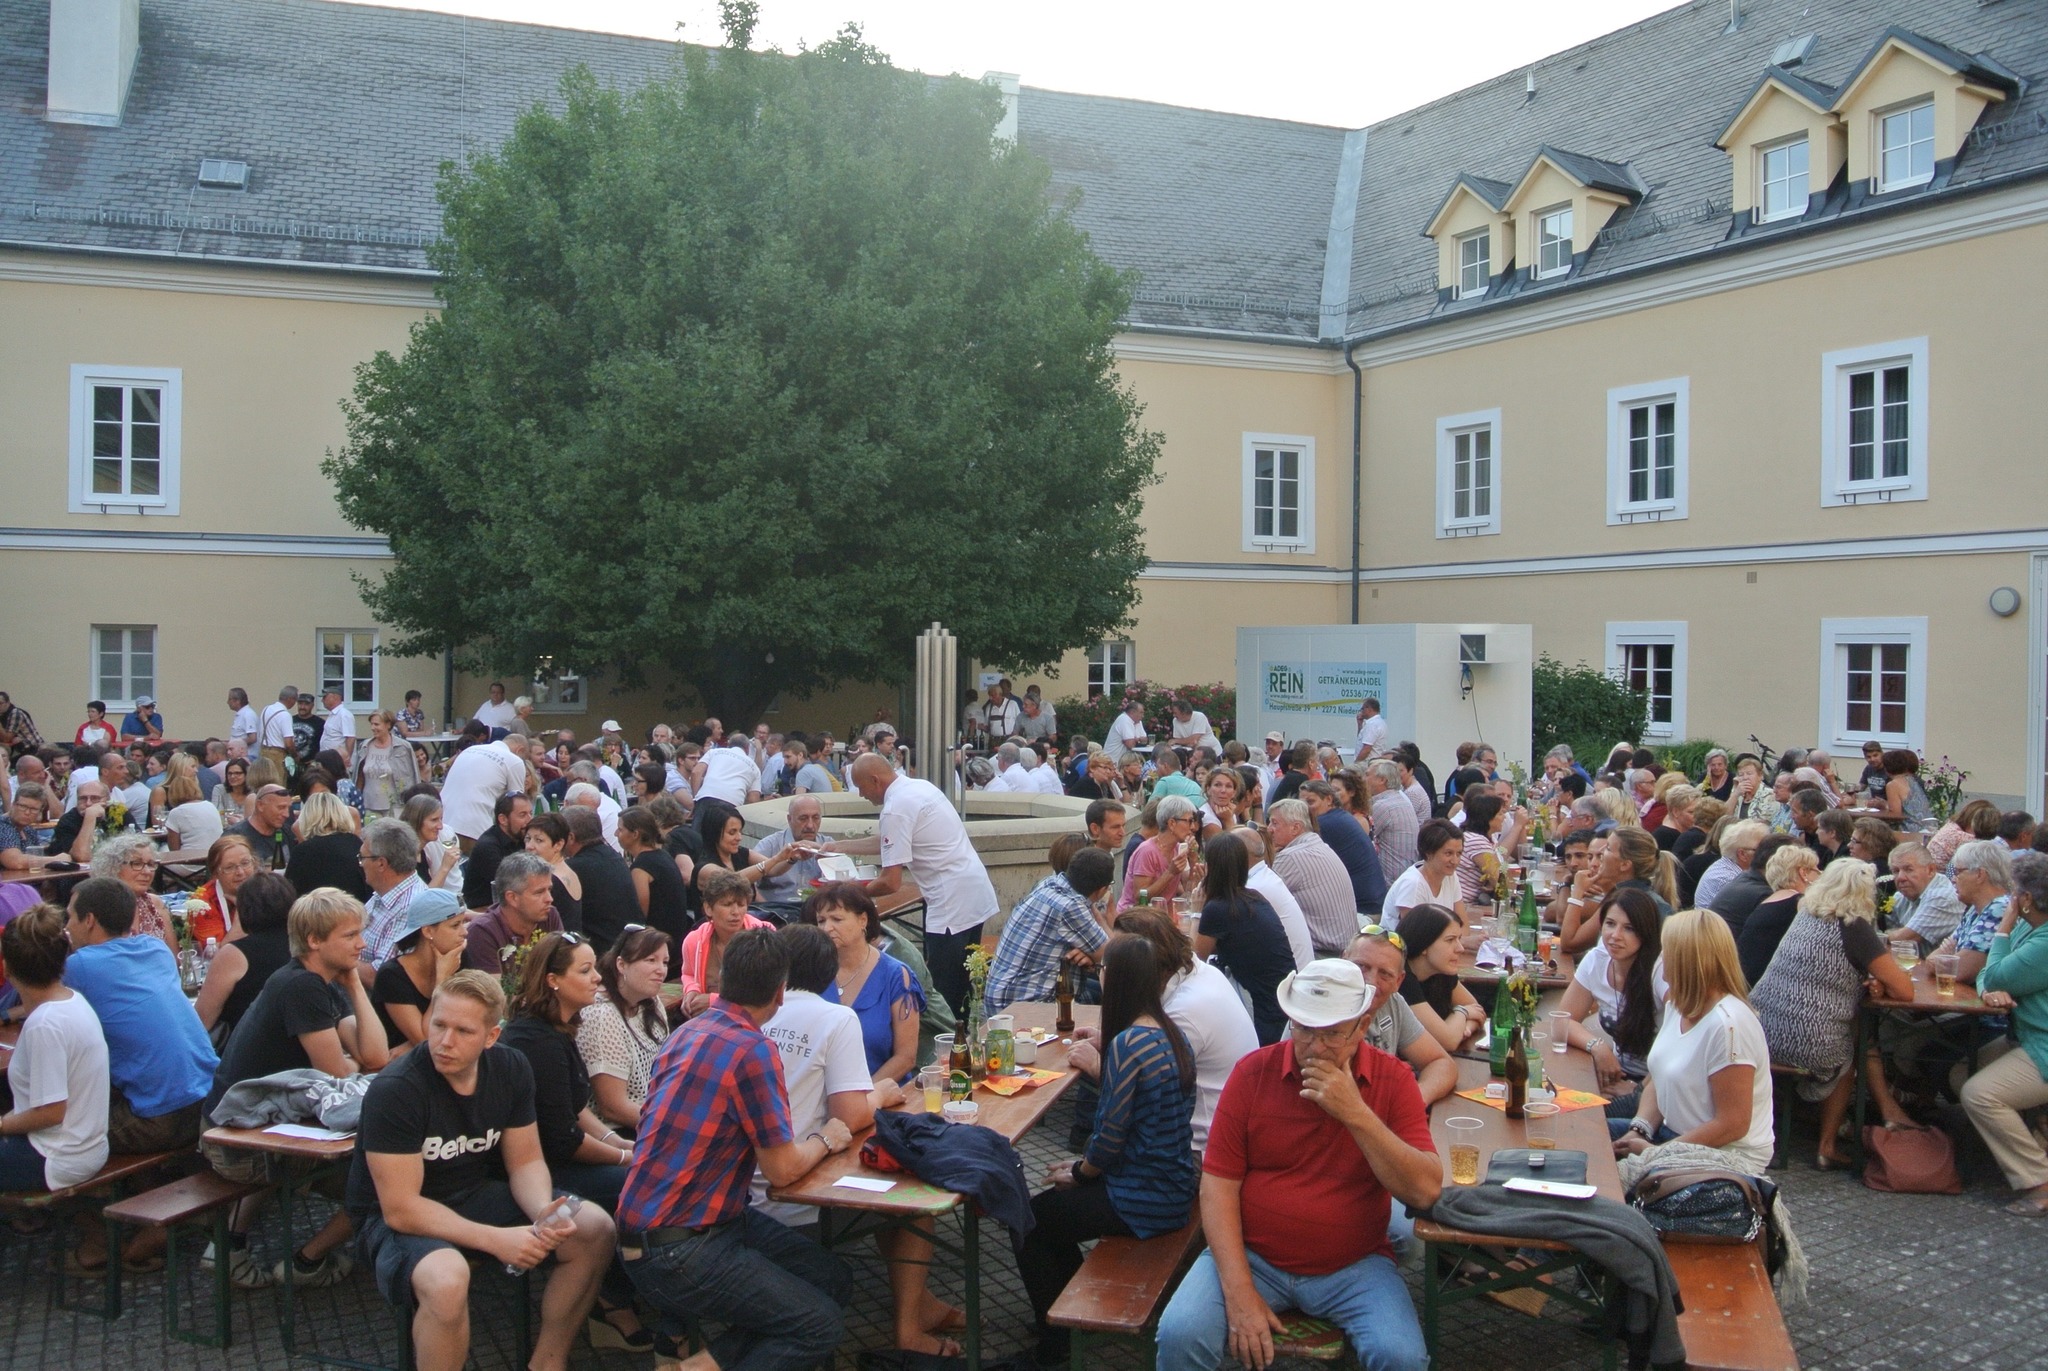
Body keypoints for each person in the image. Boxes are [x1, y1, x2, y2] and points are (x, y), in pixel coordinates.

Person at [1154, 957, 1437, 1371]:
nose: (1315, 1047)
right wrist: (1240, 1294)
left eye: (1332, 1033)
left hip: (1355, 1265)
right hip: (1253, 1257)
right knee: (1180, 1334)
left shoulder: (1393, 1079)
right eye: (1304, 1029)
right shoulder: (1253, 1073)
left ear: (1362, 1026)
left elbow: (1425, 1190)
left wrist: (1355, 1113)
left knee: (1403, 1358)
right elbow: (1217, 1187)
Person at [347, 969, 615, 1371]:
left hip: (472, 1194)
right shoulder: (397, 1089)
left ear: (492, 1037)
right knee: (447, 1278)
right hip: (394, 1221)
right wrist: (496, 1240)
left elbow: (524, 1160)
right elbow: (401, 1208)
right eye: (438, 1025)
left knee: (594, 1229)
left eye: (463, 1031)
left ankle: (548, 1362)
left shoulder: (510, 1067)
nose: (445, 1041)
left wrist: (541, 1210)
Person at [617, 929, 854, 1371]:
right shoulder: (754, 1051)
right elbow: (782, 1170)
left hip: (661, 1227)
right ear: (779, 994)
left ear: (723, 981)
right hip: (679, 1247)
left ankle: (697, 1364)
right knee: (817, 1325)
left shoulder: (686, 1031)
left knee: (830, 1278)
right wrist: (828, 1138)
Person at [1022, 936, 1200, 1367]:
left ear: (1115, 980)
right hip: (1175, 1182)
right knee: (1052, 1212)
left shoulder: (1127, 1045)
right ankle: (1063, 1312)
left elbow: (1109, 1138)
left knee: (1029, 1222)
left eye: (1103, 970)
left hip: (1144, 1198)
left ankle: (1057, 1339)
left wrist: (1080, 1173)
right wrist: (1087, 1169)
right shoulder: (1171, 1032)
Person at [203, 887, 391, 1285]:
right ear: (314, 940)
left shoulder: (318, 979)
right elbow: (342, 1075)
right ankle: (306, 1264)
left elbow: (374, 1058)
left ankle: (230, 1244)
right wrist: (351, 1063)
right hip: (236, 1143)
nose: (362, 943)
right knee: (386, 1177)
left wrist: (355, 984)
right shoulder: (302, 987)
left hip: (244, 1125)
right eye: (351, 935)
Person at [497, 932, 650, 1351]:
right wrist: (625, 1158)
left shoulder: (556, 1028)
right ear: (552, 981)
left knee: (641, 1172)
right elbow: (562, 1139)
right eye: (584, 971)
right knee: (637, 1187)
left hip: (555, 1155)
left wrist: (621, 1144)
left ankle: (630, 1287)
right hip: (537, 1171)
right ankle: (614, 1300)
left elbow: (576, 1108)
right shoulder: (537, 1041)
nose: (597, 979)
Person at [1751, 859, 1916, 1168]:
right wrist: (1878, 978)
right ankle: (1827, 1145)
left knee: (1853, 1032)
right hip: (1803, 1040)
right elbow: (1905, 991)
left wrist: (1870, 979)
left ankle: (1888, 1112)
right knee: (1851, 1051)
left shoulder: (1807, 915)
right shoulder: (1854, 926)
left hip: (1759, 1028)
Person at [829, 754, 1000, 1019]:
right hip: (973, 892)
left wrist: (848, 891)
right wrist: (837, 848)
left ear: (875, 780)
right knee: (964, 986)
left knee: (941, 996)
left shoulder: (895, 807)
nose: (861, 795)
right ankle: (964, 1042)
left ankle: (945, 1050)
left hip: (949, 904)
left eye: (861, 787)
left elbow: (891, 882)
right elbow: (891, 840)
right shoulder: (919, 787)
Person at [1612, 910, 1776, 1173]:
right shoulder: (1680, 1004)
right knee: (1584, 1131)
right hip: (1671, 1135)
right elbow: (1660, 1075)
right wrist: (1639, 1129)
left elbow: (1733, 1123)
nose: (1662, 968)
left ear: (1687, 963)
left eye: (1667, 956)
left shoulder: (1729, 1026)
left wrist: (1661, 1154)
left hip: (1723, 1157)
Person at [1959, 850, 2048, 1216]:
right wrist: (1988, 990)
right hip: (2028, 1036)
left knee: (1979, 1093)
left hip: (2042, 1044)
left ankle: (2038, 1182)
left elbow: (1995, 971)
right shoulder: (2034, 927)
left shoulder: (2041, 939)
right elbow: (1987, 976)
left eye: (2015, 894)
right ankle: (2034, 1140)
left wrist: (2003, 927)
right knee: (1962, 1068)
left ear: (2025, 899)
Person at [0, 902, 110, 1194]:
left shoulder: (44, 1024)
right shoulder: (72, 999)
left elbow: (50, 1113)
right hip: (84, 1145)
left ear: (6, 967)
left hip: (59, 1156)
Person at [1556, 889, 1668, 1115]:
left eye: (1629, 928)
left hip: (1657, 1087)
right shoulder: (1598, 958)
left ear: (1646, 932)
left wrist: (1638, 1088)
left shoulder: (1661, 971)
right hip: (1616, 1074)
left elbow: (1680, 1044)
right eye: (1609, 924)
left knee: (1583, 1118)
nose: (1615, 935)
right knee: (1552, 1099)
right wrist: (1598, 1047)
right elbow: (1562, 1021)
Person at [810, 881, 923, 1085]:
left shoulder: (896, 975)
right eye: (821, 921)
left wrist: (862, 1097)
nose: (827, 928)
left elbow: (906, 1057)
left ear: (863, 920)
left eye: (837, 919)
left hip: (880, 1097)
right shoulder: (812, 971)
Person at [987, 847, 1114, 1016]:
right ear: (1101, 890)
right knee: (1115, 996)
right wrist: (1094, 948)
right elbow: (1114, 956)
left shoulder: (1049, 883)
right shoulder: (1071, 907)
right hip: (1023, 1005)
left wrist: (1091, 954)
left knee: (1094, 985)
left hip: (1001, 994)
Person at [1195, 834, 1295, 1045]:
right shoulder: (1255, 897)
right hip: (1284, 1005)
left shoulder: (1218, 908)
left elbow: (1193, 961)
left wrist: (1196, 912)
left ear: (1211, 866)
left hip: (1262, 1015)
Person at [1343, 928, 1458, 1106]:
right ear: (1343, 962)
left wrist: (1413, 1102)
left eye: (1385, 974)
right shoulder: (1327, 1009)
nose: (1371, 981)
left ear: (1398, 981)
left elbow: (1441, 1064)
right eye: (1362, 966)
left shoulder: (1392, 1002)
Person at [578, 927, 674, 1133]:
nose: (661, 970)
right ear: (621, 964)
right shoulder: (602, 1016)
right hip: (619, 1130)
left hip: (655, 1113)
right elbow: (613, 1107)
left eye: (664, 962)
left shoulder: (651, 1002)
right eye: (650, 960)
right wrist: (673, 1125)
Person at [193, 872, 301, 1039]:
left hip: (247, 1047)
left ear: (243, 911)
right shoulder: (307, 945)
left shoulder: (234, 955)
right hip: (300, 1041)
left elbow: (201, 1022)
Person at [370, 888, 471, 1055]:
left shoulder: (460, 958)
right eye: (455, 925)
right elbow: (426, 1040)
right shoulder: (392, 976)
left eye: (463, 923)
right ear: (428, 931)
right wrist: (442, 979)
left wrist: (407, 1047)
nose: (464, 932)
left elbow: (475, 1018)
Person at [1265, 797, 1361, 957]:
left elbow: (1255, 900)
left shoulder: (1291, 857)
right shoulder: (1317, 844)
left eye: (1275, 823)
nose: (1269, 829)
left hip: (1323, 954)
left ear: (1295, 828)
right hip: (1347, 946)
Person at [676, 867, 775, 1017]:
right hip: (707, 1020)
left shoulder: (764, 936)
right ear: (708, 908)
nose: (736, 912)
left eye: (741, 905)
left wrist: (713, 1000)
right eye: (727, 904)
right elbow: (688, 974)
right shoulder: (694, 939)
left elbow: (767, 990)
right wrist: (691, 990)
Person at [1393, 904, 1488, 1053]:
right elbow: (1448, 1041)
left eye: (1459, 939)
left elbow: (1478, 1011)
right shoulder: (1402, 979)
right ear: (1424, 944)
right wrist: (1462, 1012)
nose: (1460, 948)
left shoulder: (1441, 970)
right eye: (1450, 940)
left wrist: (1464, 1030)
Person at [464, 853, 566, 975]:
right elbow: (496, 992)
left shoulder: (549, 914)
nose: (549, 899)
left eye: (549, 889)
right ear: (512, 898)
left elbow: (563, 970)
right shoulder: (483, 932)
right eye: (539, 892)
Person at [1735, 842, 1820, 986]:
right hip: (1766, 987)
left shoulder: (1768, 902)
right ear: (1803, 873)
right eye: (1816, 869)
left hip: (1746, 982)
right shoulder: (1799, 905)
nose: (1820, 874)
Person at [1300, 779, 1387, 920]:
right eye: (1301, 804)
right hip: (1373, 903)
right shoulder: (1340, 816)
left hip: (1363, 911)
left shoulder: (1325, 823)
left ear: (1328, 799)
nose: (1305, 808)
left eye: (1310, 802)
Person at [1236, 828, 1314, 971]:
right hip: (1294, 974)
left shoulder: (1254, 887)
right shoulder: (1262, 876)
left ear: (1238, 856)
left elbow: (1214, 943)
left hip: (1288, 984)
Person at [563, 806, 637, 952]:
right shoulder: (614, 857)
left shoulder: (573, 869)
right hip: (628, 945)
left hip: (602, 955)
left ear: (571, 837)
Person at [439, 735, 531, 852]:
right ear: (520, 750)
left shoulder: (469, 750)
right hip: (475, 828)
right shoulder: (514, 761)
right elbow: (517, 804)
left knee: (450, 867)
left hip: (444, 823)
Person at [88, 833, 177, 953]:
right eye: (137, 863)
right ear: (114, 867)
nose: (147, 872)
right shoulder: (97, 908)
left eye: (150, 864)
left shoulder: (154, 903)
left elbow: (174, 959)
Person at [1120, 793, 1204, 913]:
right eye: (1189, 821)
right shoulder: (1147, 851)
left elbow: (1188, 890)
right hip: (1136, 919)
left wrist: (1193, 861)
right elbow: (1140, 896)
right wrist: (1170, 872)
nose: (1193, 827)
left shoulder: (1178, 849)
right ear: (1172, 823)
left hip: (1162, 917)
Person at [750, 793, 827, 916]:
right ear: (789, 819)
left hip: (817, 912)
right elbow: (748, 882)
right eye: (803, 818)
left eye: (816, 818)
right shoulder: (770, 845)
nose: (810, 825)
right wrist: (767, 910)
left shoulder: (827, 845)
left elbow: (847, 880)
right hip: (777, 911)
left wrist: (823, 851)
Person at [284, 792, 371, 900]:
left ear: (307, 817)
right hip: (356, 911)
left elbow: (289, 894)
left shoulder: (303, 851)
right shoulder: (357, 844)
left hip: (315, 913)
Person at [1887, 840, 1966, 951]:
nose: (1900, 877)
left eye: (1908, 869)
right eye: (1895, 871)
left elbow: (1904, 939)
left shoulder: (1942, 896)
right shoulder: (1900, 896)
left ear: (1930, 870)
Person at [1383, 818, 1464, 920]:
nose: (1455, 861)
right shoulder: (1413, 885)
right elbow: (1412, 934)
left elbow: (1462, 924)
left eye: (1459, 853)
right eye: (1448, 853)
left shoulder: (1450, 876)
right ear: (1428, 852)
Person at [522, 812, 585, 936]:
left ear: (558, 845)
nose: (529, 846)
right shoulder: (566, 870)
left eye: (539, 840)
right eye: (528, 839)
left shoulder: (551, 879)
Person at [352, 711, 421, 818]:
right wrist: (356, 801)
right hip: (369, 806)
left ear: (388, 725)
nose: (372, 728)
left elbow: (414, 777)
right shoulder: (365, 746)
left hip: (395, 807)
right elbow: (359, 778)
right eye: (371, 724)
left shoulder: (403, 747)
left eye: (376, 724)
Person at [1693, 819, 1766, 912]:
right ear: (1742, 854)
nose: (1768, 853)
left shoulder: (1726, 866)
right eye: (1762, 848)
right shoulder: (1729, 879)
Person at [226, 783, 295, 872]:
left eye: (288, 808)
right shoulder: (235, 836)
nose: (286, 814)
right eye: (281, 807)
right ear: (260, 805)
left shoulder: (285, 832)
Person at [400, 794, 456, 890]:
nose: (440, 826)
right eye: (434, 820)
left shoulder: (421, 852)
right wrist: (444, 868)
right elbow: (423, 899)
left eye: (441, 819)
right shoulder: (402, 856)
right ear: (416, 820)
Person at [1871, 749, 1935, 827]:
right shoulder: (1911, 779)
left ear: (1887, 768)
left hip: (1911, 828)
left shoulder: (1893, 785)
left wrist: (1883, 805)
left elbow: (1896, 815)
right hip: (1928, 826)